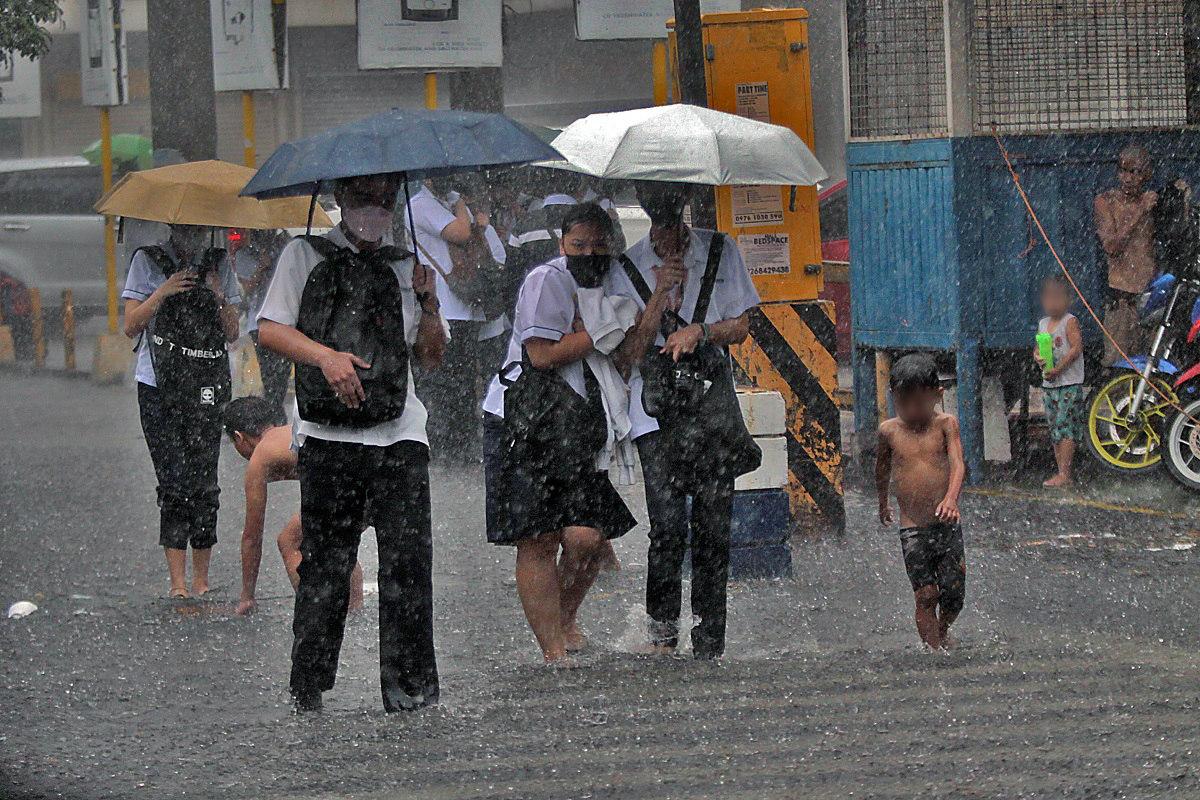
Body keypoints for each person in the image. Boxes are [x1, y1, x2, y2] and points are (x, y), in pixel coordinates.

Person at [257, 173, 447, 713]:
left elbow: (431, 358)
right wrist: (324, 356)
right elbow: (269, 329)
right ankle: (309, 684)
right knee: (326, 563)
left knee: (408, 562)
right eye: (364, 198)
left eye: (385, 200)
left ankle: (410, 689)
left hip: (400, 434)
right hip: (327, 435)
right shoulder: (304, 255)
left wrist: (429, 305)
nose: (375, 210)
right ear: (340, 200)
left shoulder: (407, 266)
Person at [606, 181, 760, 660]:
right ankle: (662, 636)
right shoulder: (625, 266)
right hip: (655, 413)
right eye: (660, 218)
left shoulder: (720, 250)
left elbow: (743, 325)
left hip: (711, 409)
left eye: (674, 216)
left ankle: (710, 640)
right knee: (668, 526)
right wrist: (657, 296)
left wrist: (700, 331)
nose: (669, 230)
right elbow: (628, 355)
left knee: (714, 526)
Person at [481, 203, 637, 663]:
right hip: (529, 422)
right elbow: (543, 355)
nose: (589, 253)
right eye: (579, 245)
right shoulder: (549, 279)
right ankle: (553, 650)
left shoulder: (614, 279)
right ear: (561, 243)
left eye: (598, 244)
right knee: (540, 538)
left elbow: (627, 349)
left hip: (581, 424)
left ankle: (563, 618)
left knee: (589, 537)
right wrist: (600, 331)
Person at [122, 223, 241, 599]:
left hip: (206, 383)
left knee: (205, 478)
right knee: (173, 480)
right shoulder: (147, 261)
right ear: (173, 226)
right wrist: (164, 290)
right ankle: (177, 583)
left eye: (198, 229)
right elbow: (130, 325)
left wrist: (219, 295)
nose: (191, 235)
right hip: (158, 384)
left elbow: (234, 331)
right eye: (185, 228)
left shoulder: (218, 264)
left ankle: (202, 579)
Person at [221, 396, 363, 617]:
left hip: (344, 485)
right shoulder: (288, 432)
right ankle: (354, 611)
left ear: (239, 437)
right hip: (365, 476)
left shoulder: (260, 457)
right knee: (341, 540)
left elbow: (252, 537)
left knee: (289, 540)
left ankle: (318, 612)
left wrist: (247, 595)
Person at [406, 176, 505, 463]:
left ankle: (459, 442)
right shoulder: (420, 205)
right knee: (441, 380)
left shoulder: (443, 204)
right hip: (444, 308)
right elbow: (462, 233)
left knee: (461, 381)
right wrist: (462, 203)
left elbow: (487, 244)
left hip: (466, 305)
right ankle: (443, 442)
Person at [875, 353, 967, 652]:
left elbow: (958, 464)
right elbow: (882, 469)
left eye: (919, 403)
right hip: (912, 527)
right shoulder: (889, 431)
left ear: (937, 396)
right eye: (903, 404)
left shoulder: (945, 425)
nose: (911, 411)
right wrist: (882, 502)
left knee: (954, 594)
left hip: (946, 522)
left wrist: (951, 498)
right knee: (926, 594)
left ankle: (941, 631)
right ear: (894, 398)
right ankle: (933, 651)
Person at [1095, 145, 1158, 366]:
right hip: (1121, 299)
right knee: (1117, 365)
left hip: (1151, 296)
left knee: (1152, 367)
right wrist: (1140, 211)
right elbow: (1112, 246)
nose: (1128, 178)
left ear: (1146, 174)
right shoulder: (1106, 202)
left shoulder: (1153, 201)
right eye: (1124, 171)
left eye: (1135, 172)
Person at [233, 228, 292, 424]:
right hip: (259, 324)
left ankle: (275, 419)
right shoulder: (244, 254)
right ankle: (275, 423)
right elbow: (245, 291)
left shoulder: (285, 248)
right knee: (271, 378)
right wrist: (262, 267)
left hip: (285, 321)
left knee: (280, 380)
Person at [1035, 275, 1085, 488]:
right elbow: (1037, 348)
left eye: (1058, 297)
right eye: (1048, 297)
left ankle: (1065, 472)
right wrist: (1038, 358)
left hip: (1068, 384)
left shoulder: (1069, 321)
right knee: (1055, 427)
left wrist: (1059, 369)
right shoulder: (1043, 323)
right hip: (1050, 385)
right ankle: (1060, 471)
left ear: (1069, 299)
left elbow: (1076, 348)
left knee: (1066, 428)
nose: (1053, 302)